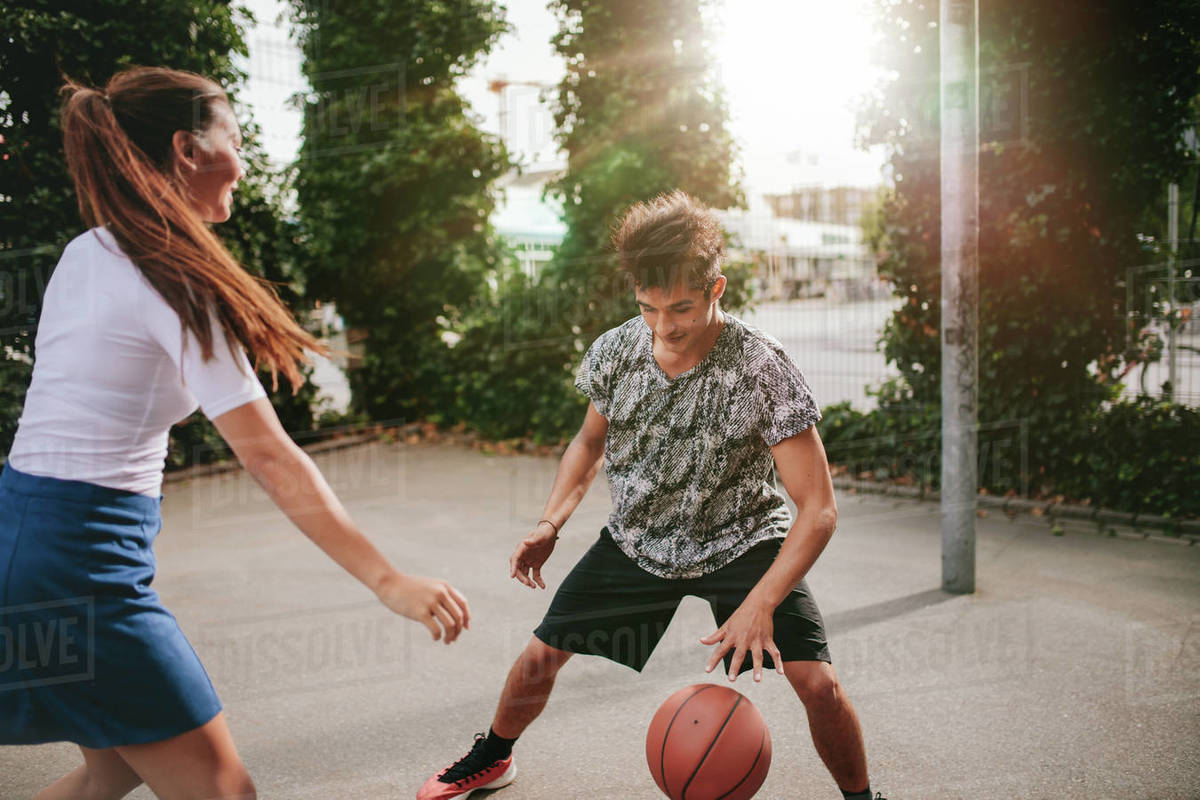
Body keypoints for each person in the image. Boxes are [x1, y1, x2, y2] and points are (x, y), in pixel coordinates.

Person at [0, 66, 471, 800]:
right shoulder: (173, 279)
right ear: (189, 150)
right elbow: (271, 458)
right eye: (238, 141)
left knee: (112, 768)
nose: (244, 165)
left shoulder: (87, 252)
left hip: (25, 536)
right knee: (224, 793)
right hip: (80, 567)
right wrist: (387, 579)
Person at [417, 191, 885, 800]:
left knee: (818, 685)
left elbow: (818, 510)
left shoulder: (762, 368)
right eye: (649, 308)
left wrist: (761, 601)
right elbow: (588, 443)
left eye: (683, 307)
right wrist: (550, 522)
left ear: (717, 288)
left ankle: (861, 798)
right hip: (640, 538)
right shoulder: (616, 352)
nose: (665, 326)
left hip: (741, 538)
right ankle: (494, 757)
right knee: (539, 657)